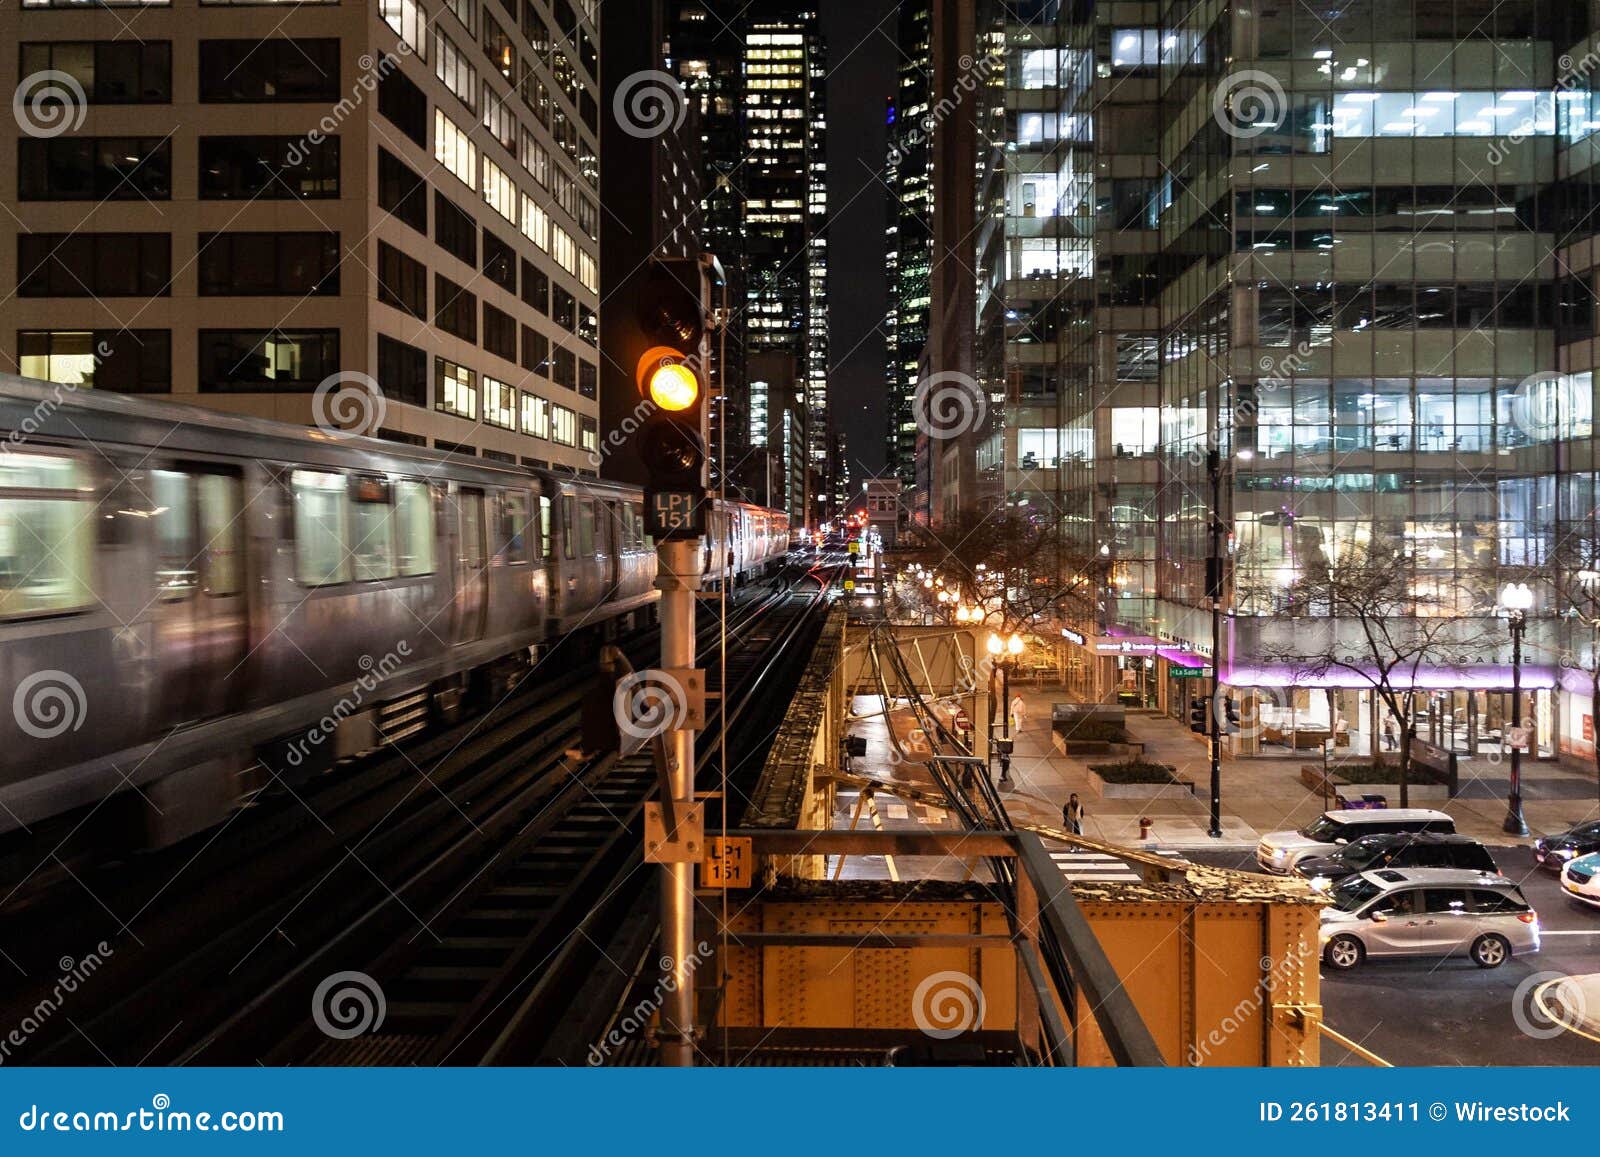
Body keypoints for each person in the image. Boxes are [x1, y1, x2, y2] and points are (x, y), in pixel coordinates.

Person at [571, 644, 635, 761]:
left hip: (603, 742)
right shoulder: (621, 693)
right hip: (618, 741)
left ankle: (590, 748)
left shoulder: (590, 697)